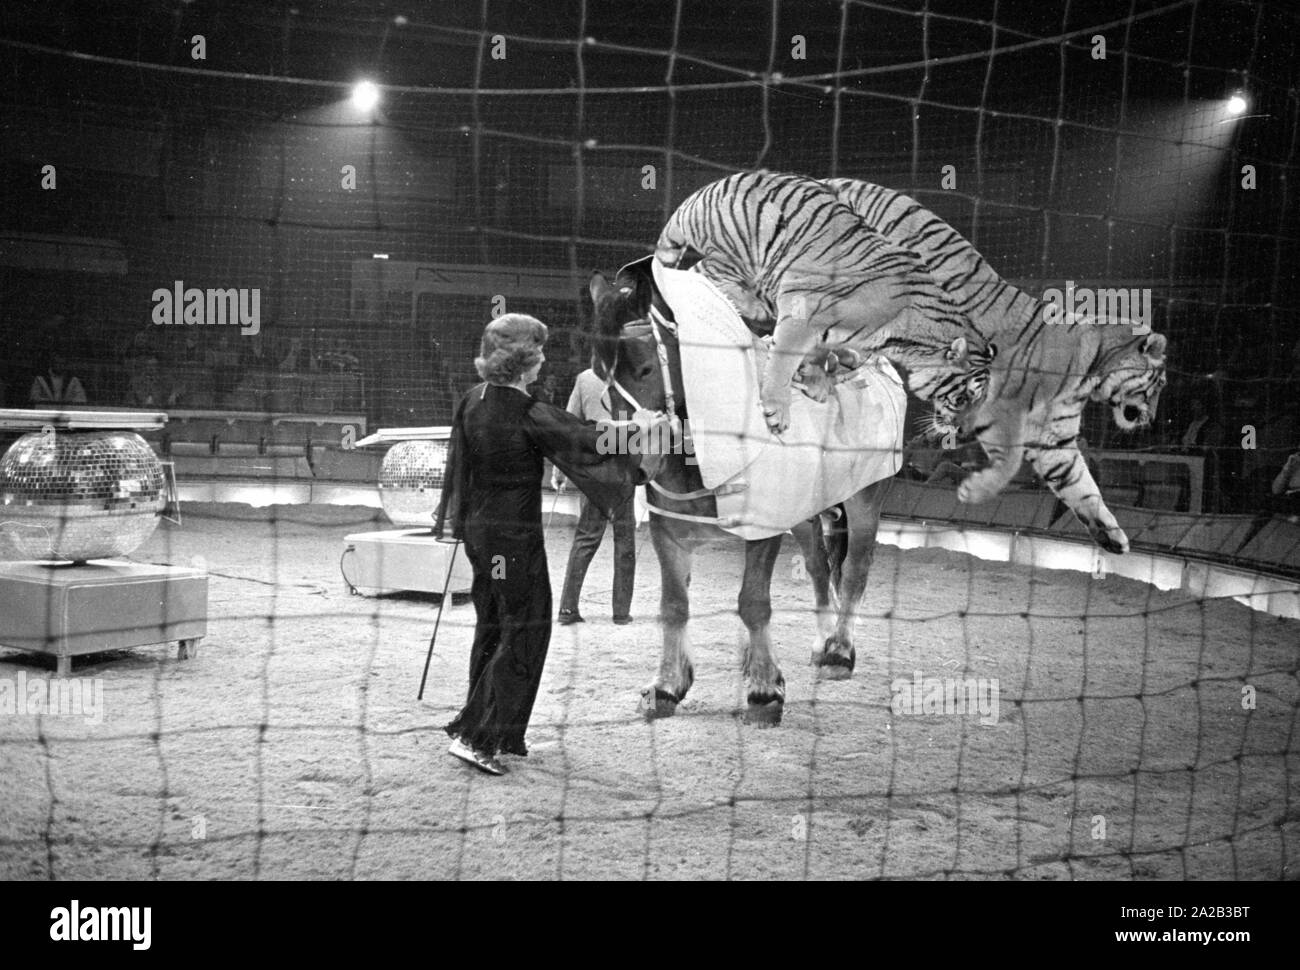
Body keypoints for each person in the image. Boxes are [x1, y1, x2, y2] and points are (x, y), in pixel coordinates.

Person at [433, 314, 665, 775]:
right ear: (524, 361)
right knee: (525, 629)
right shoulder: (527, 410)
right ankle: (480, 736)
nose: (544, 361)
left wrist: (453, 525)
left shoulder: (471, 401)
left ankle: (477, 726)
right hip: (512, 544)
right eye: (539, 354)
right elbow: (585, 441)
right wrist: (637, 425)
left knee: (496, 625)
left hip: (483, 542)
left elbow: (457, 472)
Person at [554, 361, 637, 625]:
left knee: (586, 537)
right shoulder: (633, 376)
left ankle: (568, 608)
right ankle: (621, 613)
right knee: (625, 539)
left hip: (594, 465)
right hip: (624, 463)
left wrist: (561, 471)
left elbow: (569, 423)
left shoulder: (584, 378)